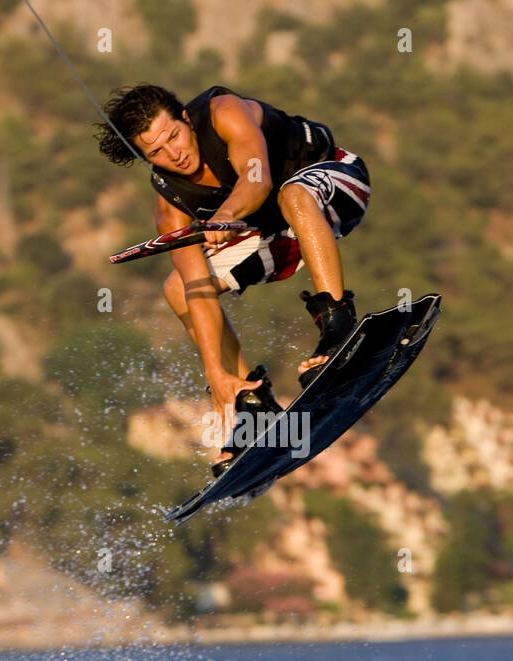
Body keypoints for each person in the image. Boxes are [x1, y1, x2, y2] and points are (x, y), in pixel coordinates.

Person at [96, 84, 371, 475]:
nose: (173, 154)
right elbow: (197, 291)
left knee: (293, 194)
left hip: (336, 189)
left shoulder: (224, 112)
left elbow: (256, 179)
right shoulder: (170, 205)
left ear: (186, 119)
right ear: (145, 157)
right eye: (156, 152)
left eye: (174, 136)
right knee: (177, 288)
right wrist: (215, 375)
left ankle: (338, 322)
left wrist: (224, 214)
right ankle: (254, 406)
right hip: (279, 234)